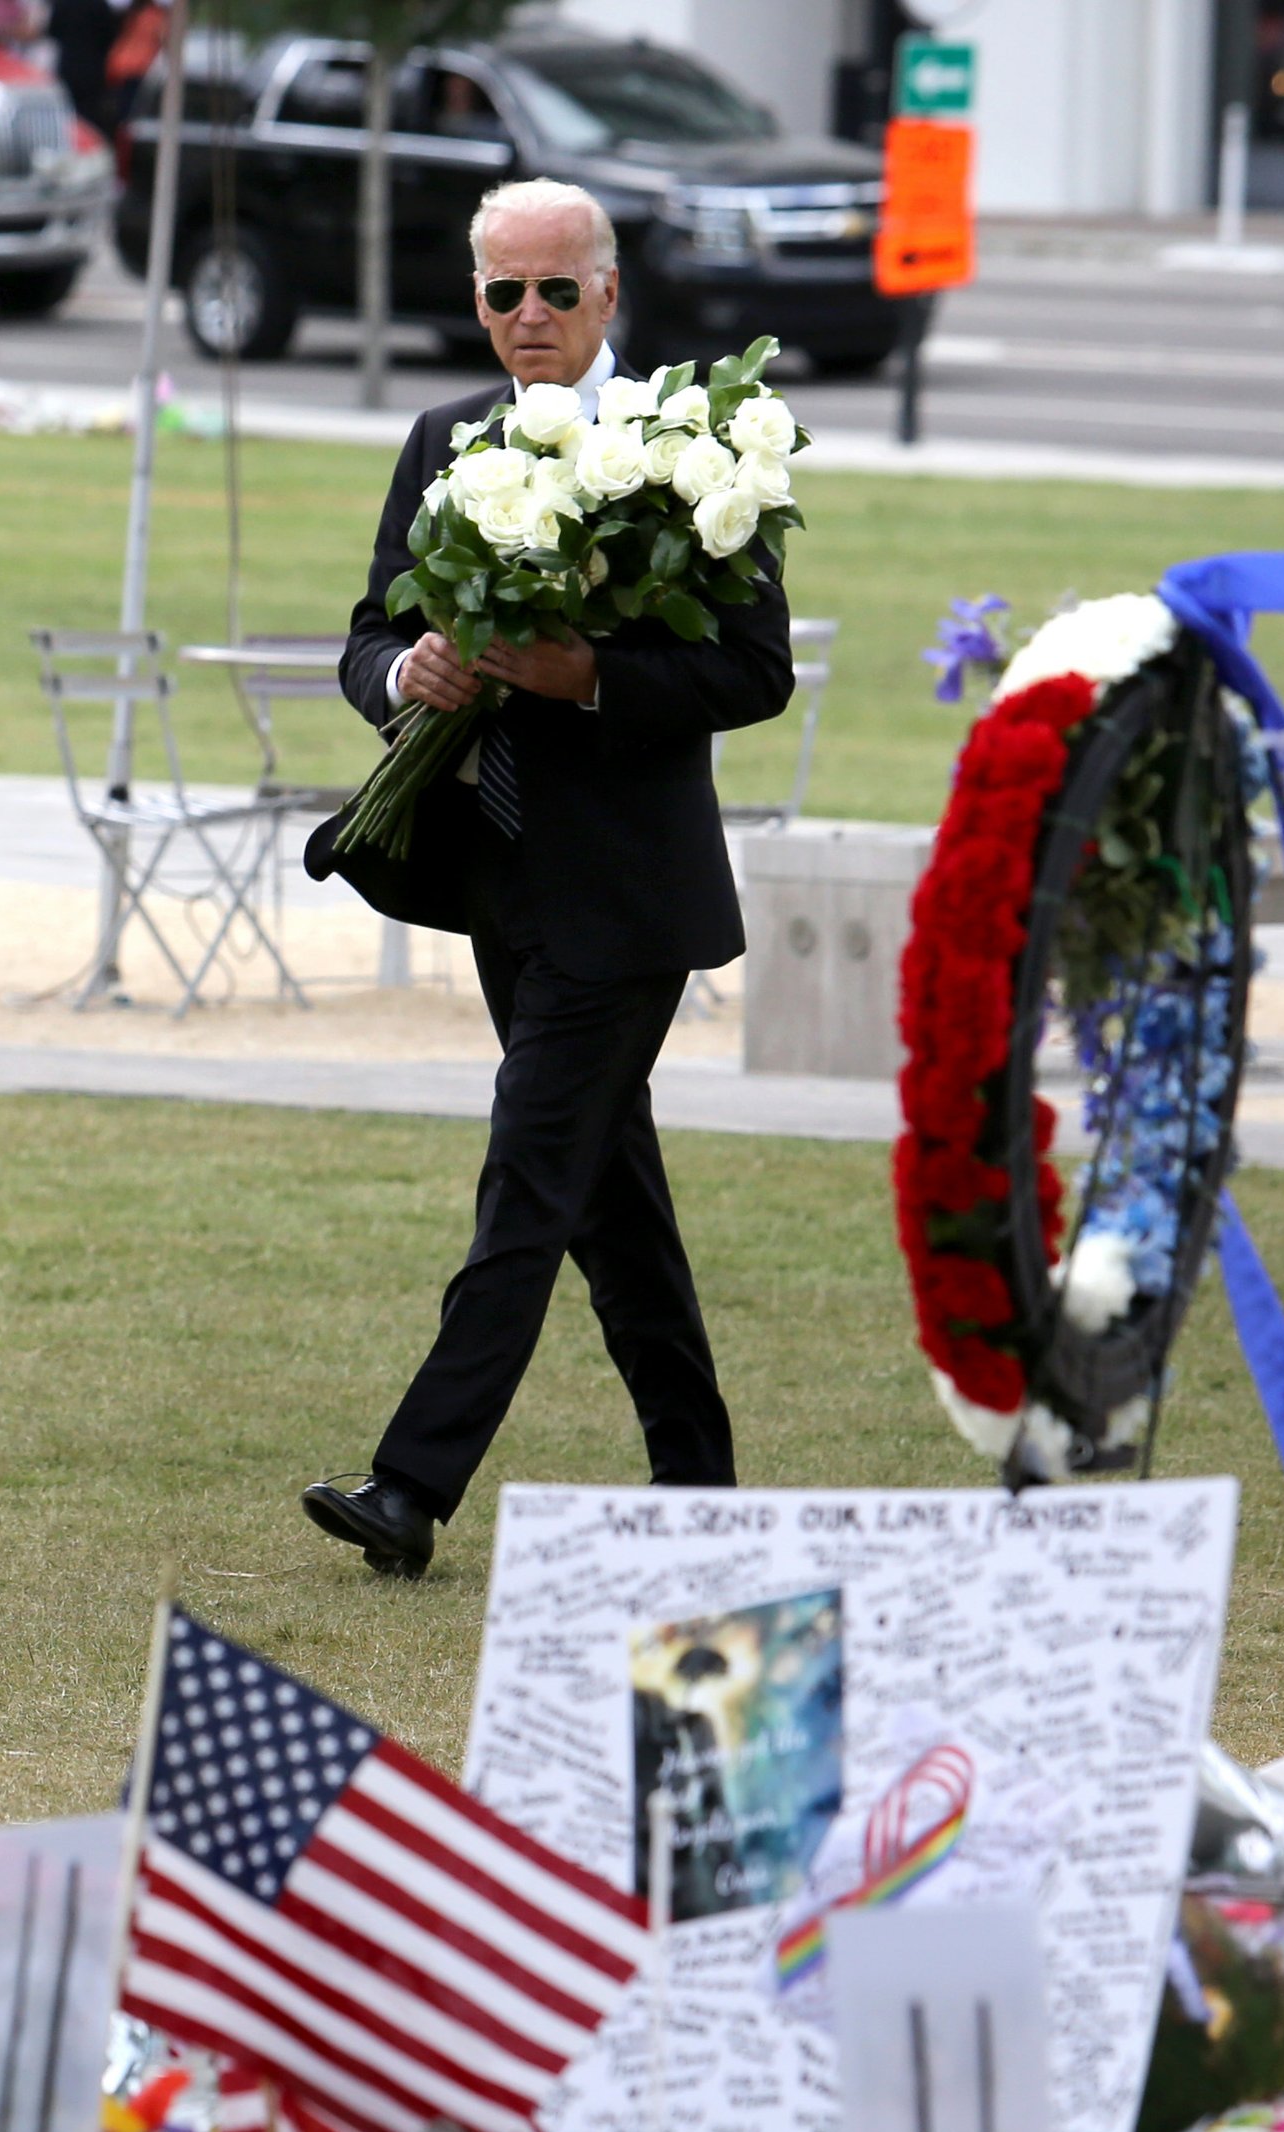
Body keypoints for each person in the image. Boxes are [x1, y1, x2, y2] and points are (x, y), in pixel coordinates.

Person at [299, 178, 793, 1579]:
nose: (529, 314)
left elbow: (754, 671)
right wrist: (406, 673)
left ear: (608, 293)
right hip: (495, 879)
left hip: (628, 899)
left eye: (556, 290)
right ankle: (700, 1490)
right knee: (611, 1205)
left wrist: (588, 679)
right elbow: (366, 633)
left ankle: (412, 1486)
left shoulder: (689, 449)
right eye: (503, 292)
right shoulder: (442, 438)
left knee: (527, 1178)